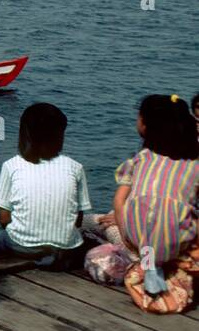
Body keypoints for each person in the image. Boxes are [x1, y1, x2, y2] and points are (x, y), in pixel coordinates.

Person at [84, 95, 199, 312]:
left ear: (145, 126)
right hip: (178, 243)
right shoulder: (194, 164)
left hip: (140, 245)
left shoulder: (140, 159)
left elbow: (119, 202)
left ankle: (146, 264)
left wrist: (124, 230)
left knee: (91, 221)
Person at [0, 103, 91, 271]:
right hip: (64, 249)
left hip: (21, 247)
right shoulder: (75, 167)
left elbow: (3, 219)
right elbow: (78, 220)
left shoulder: (11, 165)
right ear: (60, 135)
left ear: (25, 135)